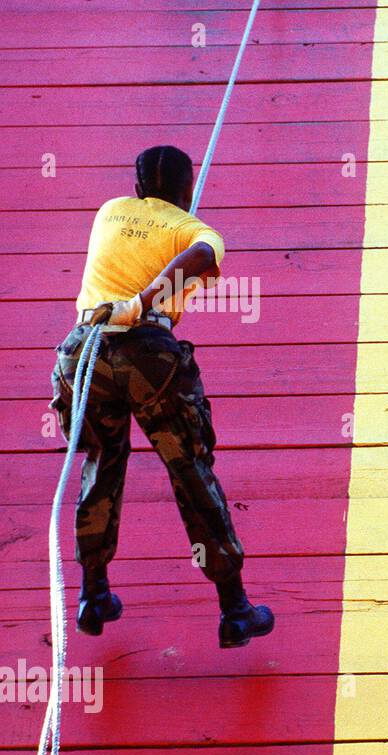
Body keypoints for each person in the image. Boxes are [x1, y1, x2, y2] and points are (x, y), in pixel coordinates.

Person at [50, 145, 274, 649]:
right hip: (147, 350)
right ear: (188, 189)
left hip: (82, 349)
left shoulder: (110, 210)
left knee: (100, 462)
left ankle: (93, 595)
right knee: (189, 467)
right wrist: (145, 302)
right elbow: (199, 260)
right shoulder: (195, 232)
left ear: (136, 189)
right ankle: (235, 610)